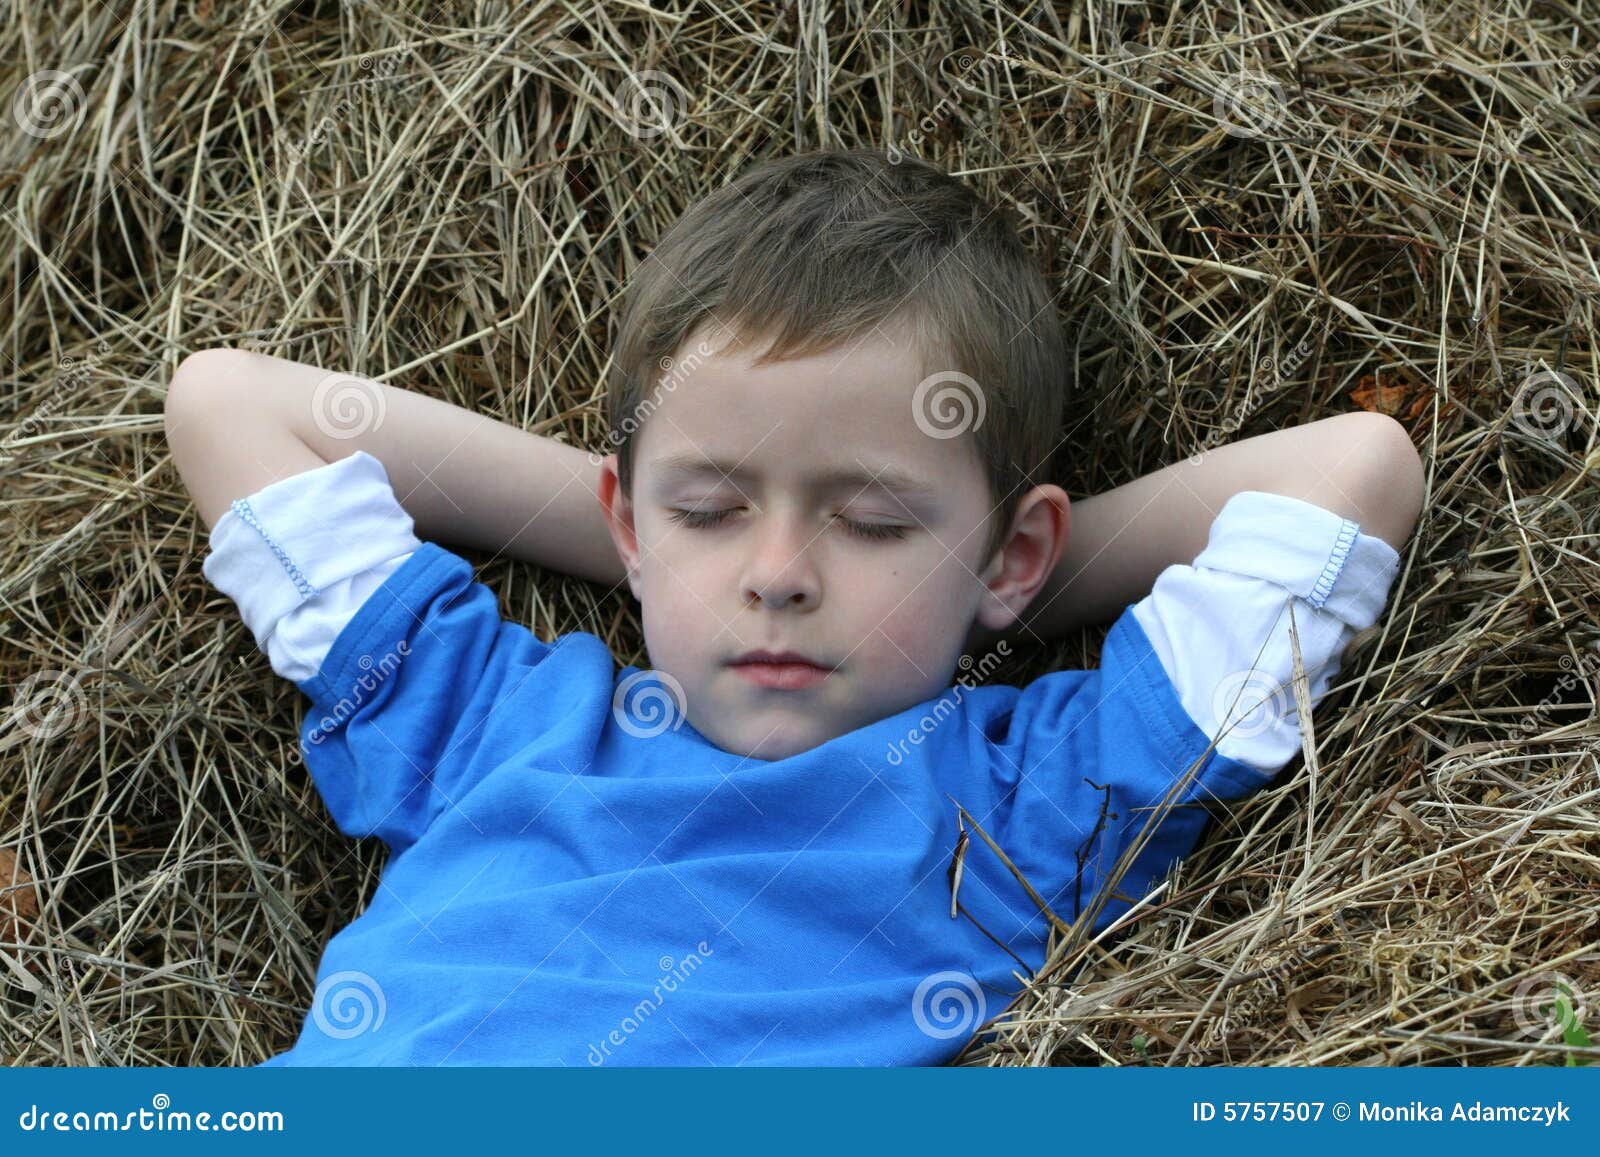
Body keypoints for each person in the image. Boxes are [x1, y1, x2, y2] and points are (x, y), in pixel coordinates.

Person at [163, 147, 1423, 1065]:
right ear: (626, 518)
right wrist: (655, 550)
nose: (777, 571)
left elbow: (1350, 474)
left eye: (872, 522)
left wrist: (980, 586)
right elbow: (228, 402)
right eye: (710, 508)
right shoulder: (495, 725)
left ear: (1016, 550)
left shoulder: (1020, 805)